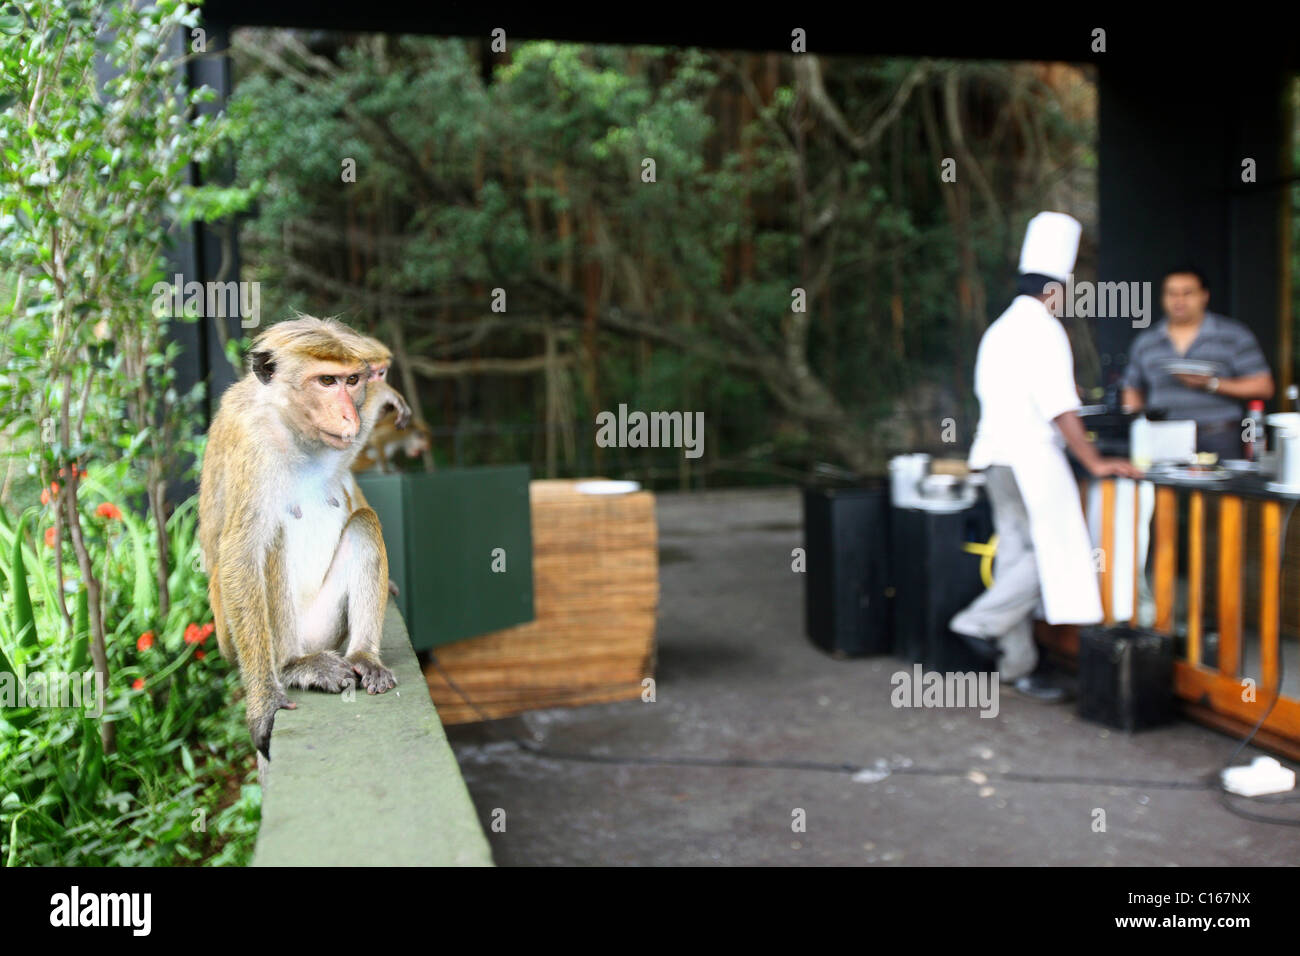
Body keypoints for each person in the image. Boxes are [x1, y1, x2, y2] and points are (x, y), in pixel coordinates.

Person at [949, 212, 1143, 699]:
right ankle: (978, 622)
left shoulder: (998, 330)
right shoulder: (1046, 330)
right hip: (1031, 459)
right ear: (1056, 289)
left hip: (994, 458)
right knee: (1059, 553)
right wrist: (1094, 461)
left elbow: (1012, 392)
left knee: (1017, 554)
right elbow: (1060, 409)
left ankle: (1016, 665)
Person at [1120, 266, 1274, 462]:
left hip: (1219, 435)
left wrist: (1212, 384)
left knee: (1221, 492)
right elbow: (1132, 387)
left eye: (1187, 293)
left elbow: (1264, 386)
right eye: (1172, 293)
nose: (1179, 300)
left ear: (1204, 295)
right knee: (1165, 492)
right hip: (1163, 435)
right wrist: (1136, 427)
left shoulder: (1234, 335)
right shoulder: (1147, 341)